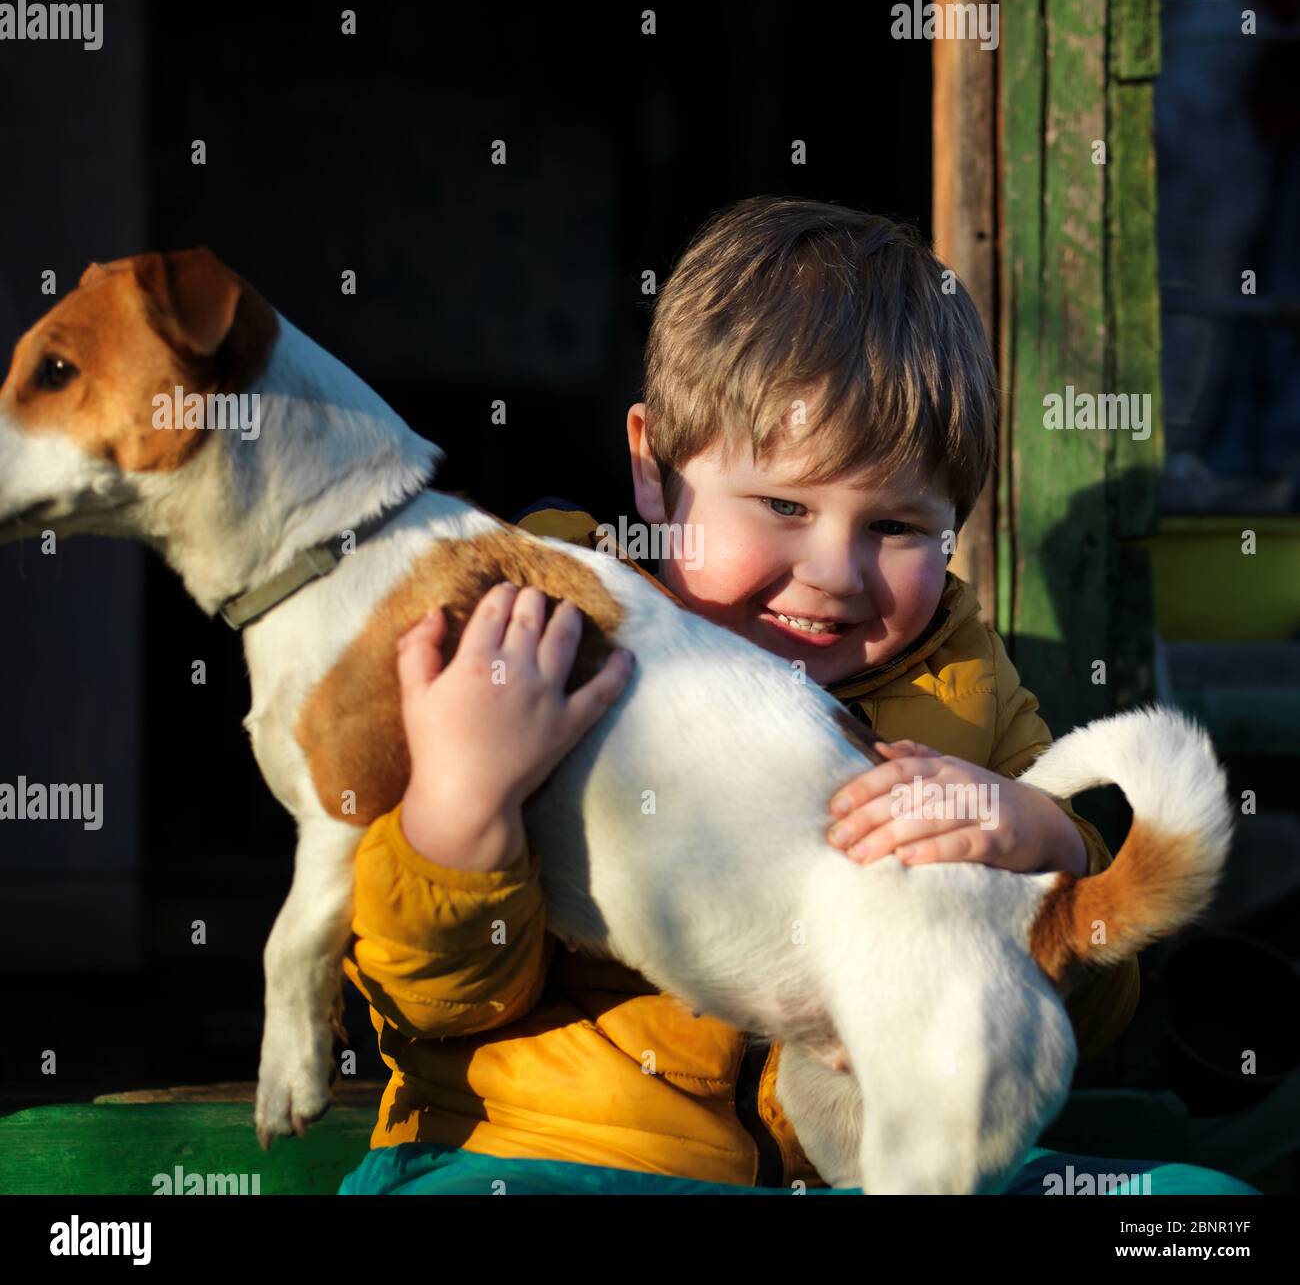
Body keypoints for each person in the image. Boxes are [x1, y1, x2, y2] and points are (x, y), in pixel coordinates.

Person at [338, 198, 1257, 1196]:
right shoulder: (542, 638)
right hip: (549, 1155)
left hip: (869, 1170)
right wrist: (462, 809)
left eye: (896, 526)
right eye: (783, 505)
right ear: (653, 469)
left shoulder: (964, 686)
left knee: (1201, 1212)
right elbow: (432, 1004)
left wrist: (1044, 844)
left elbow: (1088, 1017)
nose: (833, 570)